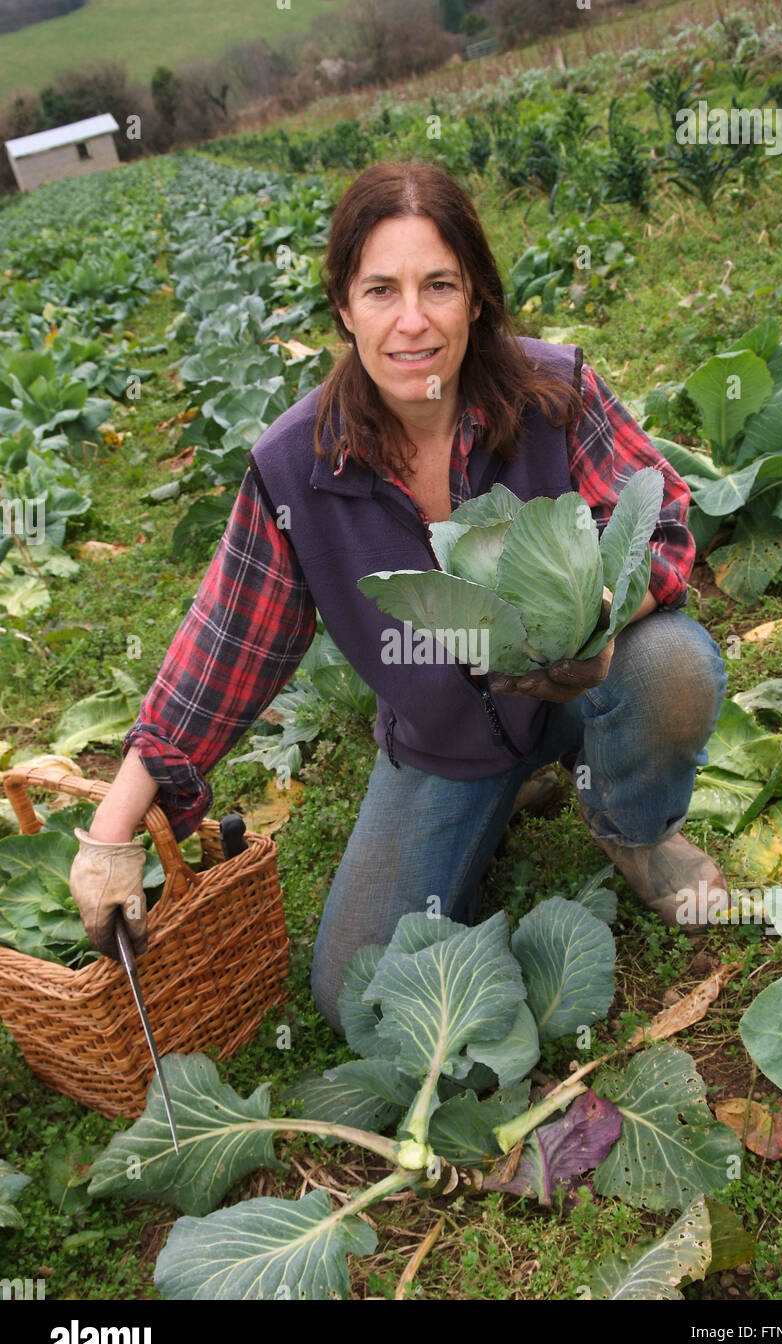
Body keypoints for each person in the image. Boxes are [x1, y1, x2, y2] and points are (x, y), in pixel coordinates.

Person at [70, 160, 728, 1033]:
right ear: (343, 307)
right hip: (444, 746)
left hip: (586, 684)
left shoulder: (552, 391)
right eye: (380, 289)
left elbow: (664, 522)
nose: (411, 321)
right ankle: (507, 786)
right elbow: (226, 646)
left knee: (673, 664)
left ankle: (632, 829)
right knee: (356, 997)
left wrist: (604, 623)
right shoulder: (294, 468)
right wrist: (113, 829)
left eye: (439, 286)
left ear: (477, 299)